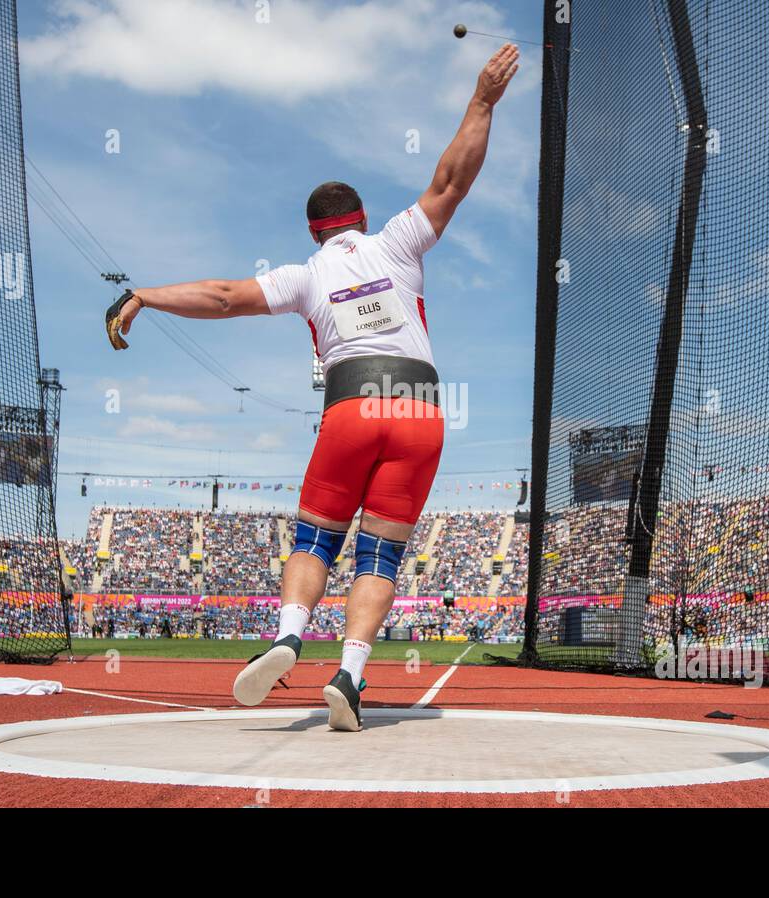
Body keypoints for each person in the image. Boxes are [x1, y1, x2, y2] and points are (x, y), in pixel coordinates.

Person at [105, 45, 519, 731]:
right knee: (379, 554)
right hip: (417, 406)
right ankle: (350, 677)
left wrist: (143, 295)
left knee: (315, 541)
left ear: (314, 231)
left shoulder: (304, 275)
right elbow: (451, 181)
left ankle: (289, 634)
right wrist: (481, 100)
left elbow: (222, 295)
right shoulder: (396, 243)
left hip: (351, 404)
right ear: (360, 218)